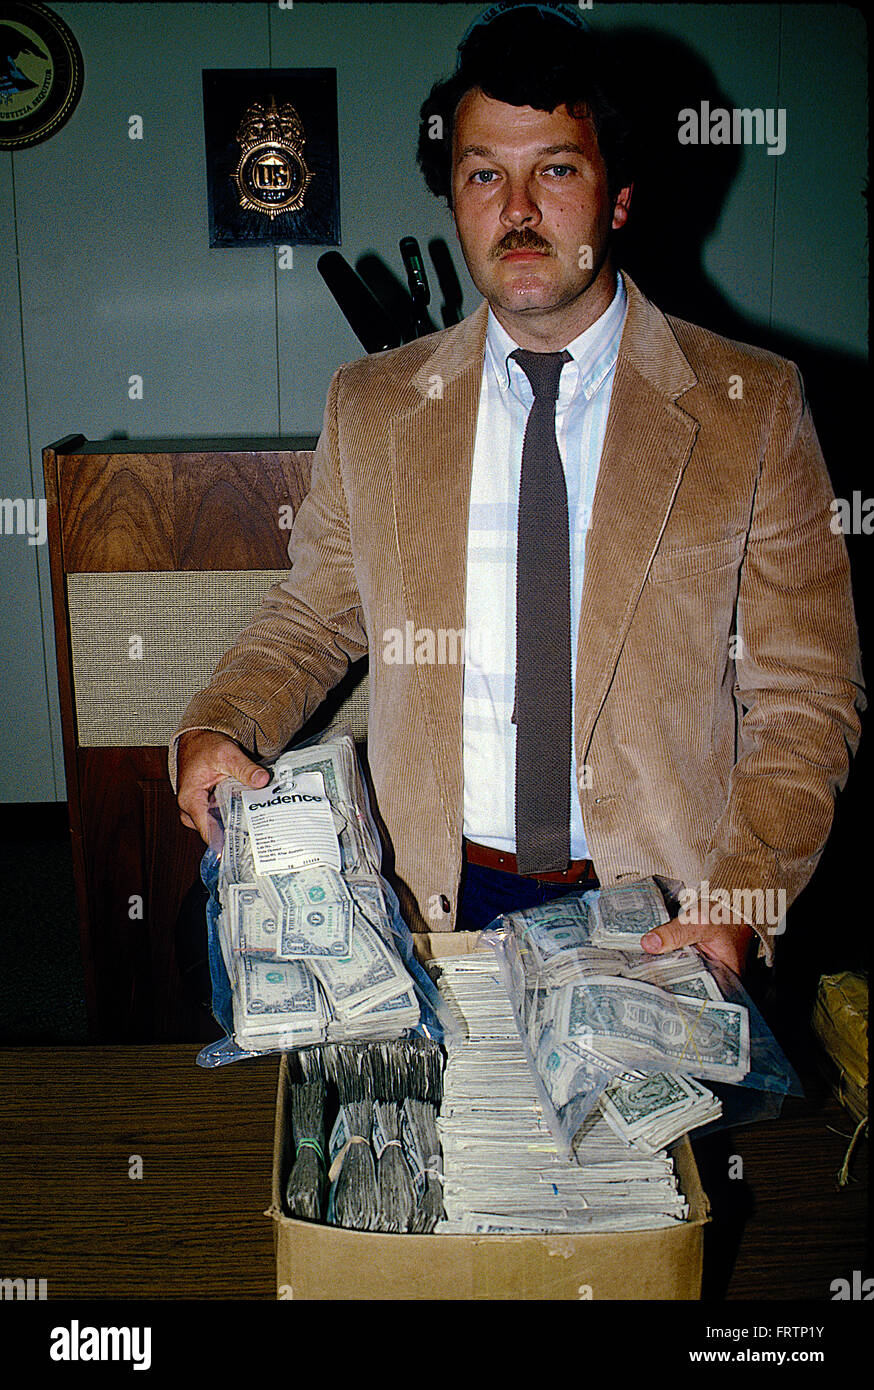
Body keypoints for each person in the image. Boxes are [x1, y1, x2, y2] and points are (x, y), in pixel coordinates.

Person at [171, 2, 863, 979]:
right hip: (436, 897)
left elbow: (805, 695)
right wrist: (218, 723)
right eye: (484, 174)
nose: (519, 209)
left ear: (616, 196)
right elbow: (313, 616)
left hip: (666, 906)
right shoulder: (372, 404)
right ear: (453, 198)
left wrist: (739, 896)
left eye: (557, 169)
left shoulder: (751, 407)